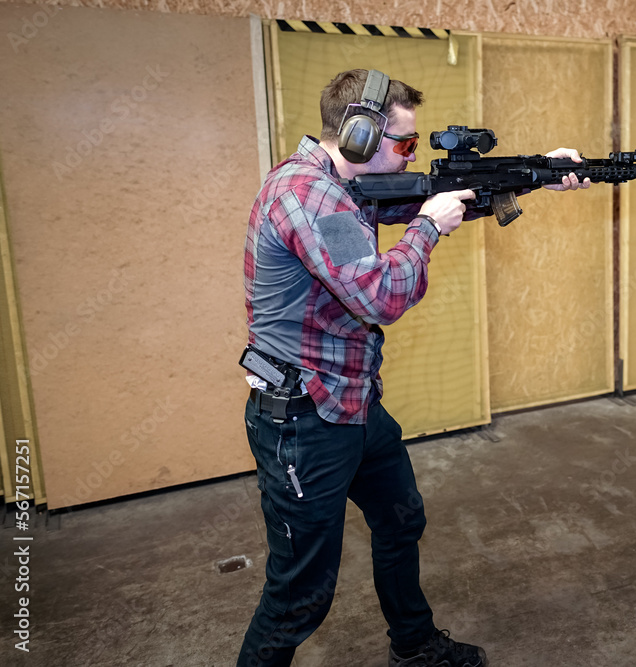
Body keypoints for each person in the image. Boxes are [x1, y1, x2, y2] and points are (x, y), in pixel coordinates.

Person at [238, 68, 589, 667]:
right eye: (403, 144)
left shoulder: (344, 185)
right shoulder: (307, 195)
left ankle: (415, 644)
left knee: (401, 521)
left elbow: (426, 194)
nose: (411, 155)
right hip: (304, 419)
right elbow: (381, 297)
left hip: (352, 401)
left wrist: (535, 175)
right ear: (357, 136)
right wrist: (428, 227)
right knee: (299, 595)